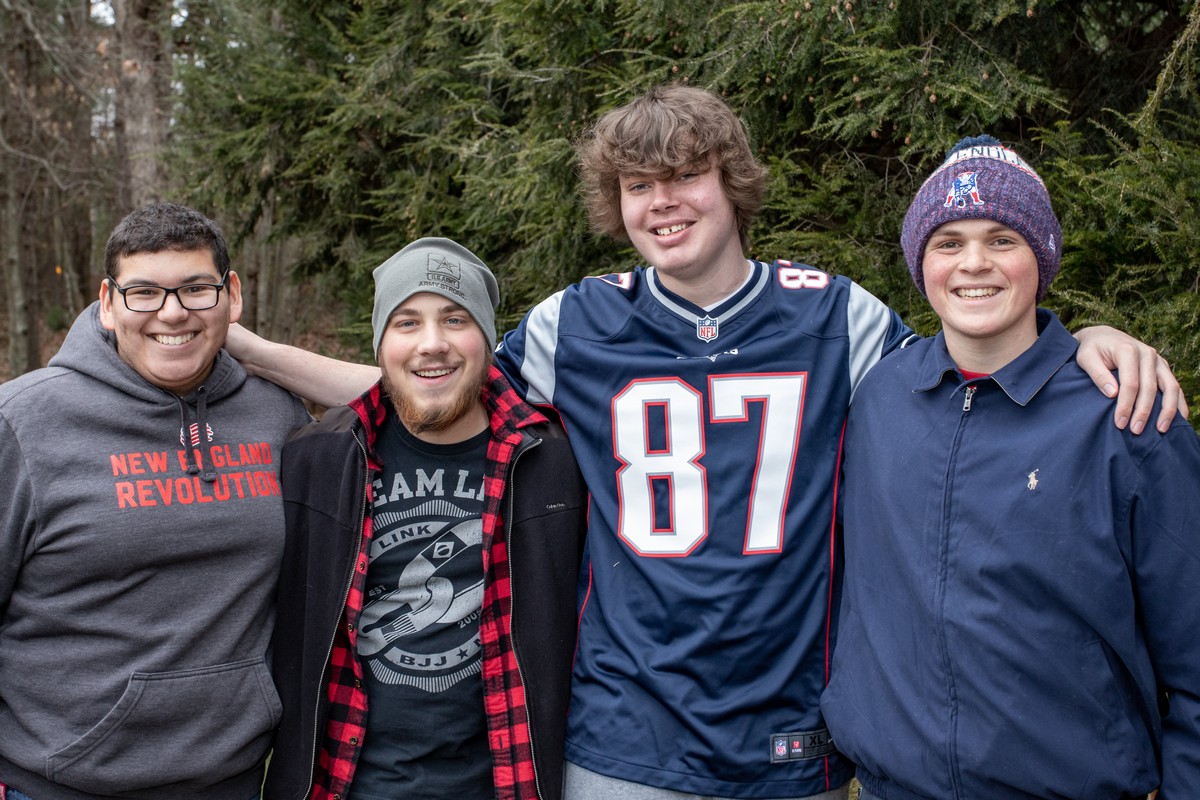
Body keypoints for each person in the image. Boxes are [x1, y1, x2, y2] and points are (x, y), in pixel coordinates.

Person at [226, 86, 1185, 800]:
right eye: (639, 185)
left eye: (685, 175)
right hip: (620, 733)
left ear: (732, 184)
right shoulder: (575, 326)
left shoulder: (838, 319)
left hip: (787, 736)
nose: (663, 202)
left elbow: (976, 361)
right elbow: (427, 394)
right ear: (617, 203)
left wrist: (1087, 342)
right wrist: (250, 349)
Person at [820, 135, 1200, 799]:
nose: (974, 264)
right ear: (920, 262)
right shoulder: (877, 400)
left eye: (1002, 239)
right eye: (949, 242)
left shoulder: (1125, 418)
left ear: (1040, 256)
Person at [0, 202, 311, 800]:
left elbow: (423, 405)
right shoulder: (25, 424)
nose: (172, 312)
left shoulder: (277, 415)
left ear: (232, 295)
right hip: (56, 785)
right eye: (144, 291)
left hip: (233, 781)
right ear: (109, 302)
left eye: (196, 289)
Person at [264, 238, 588, 800]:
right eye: (407, 322)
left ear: (486, 340)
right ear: (381, 344)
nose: (431, 344)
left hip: (507, 783)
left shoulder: (556, 461)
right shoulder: (315, 462)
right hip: (345, 784)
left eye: (455, 319)